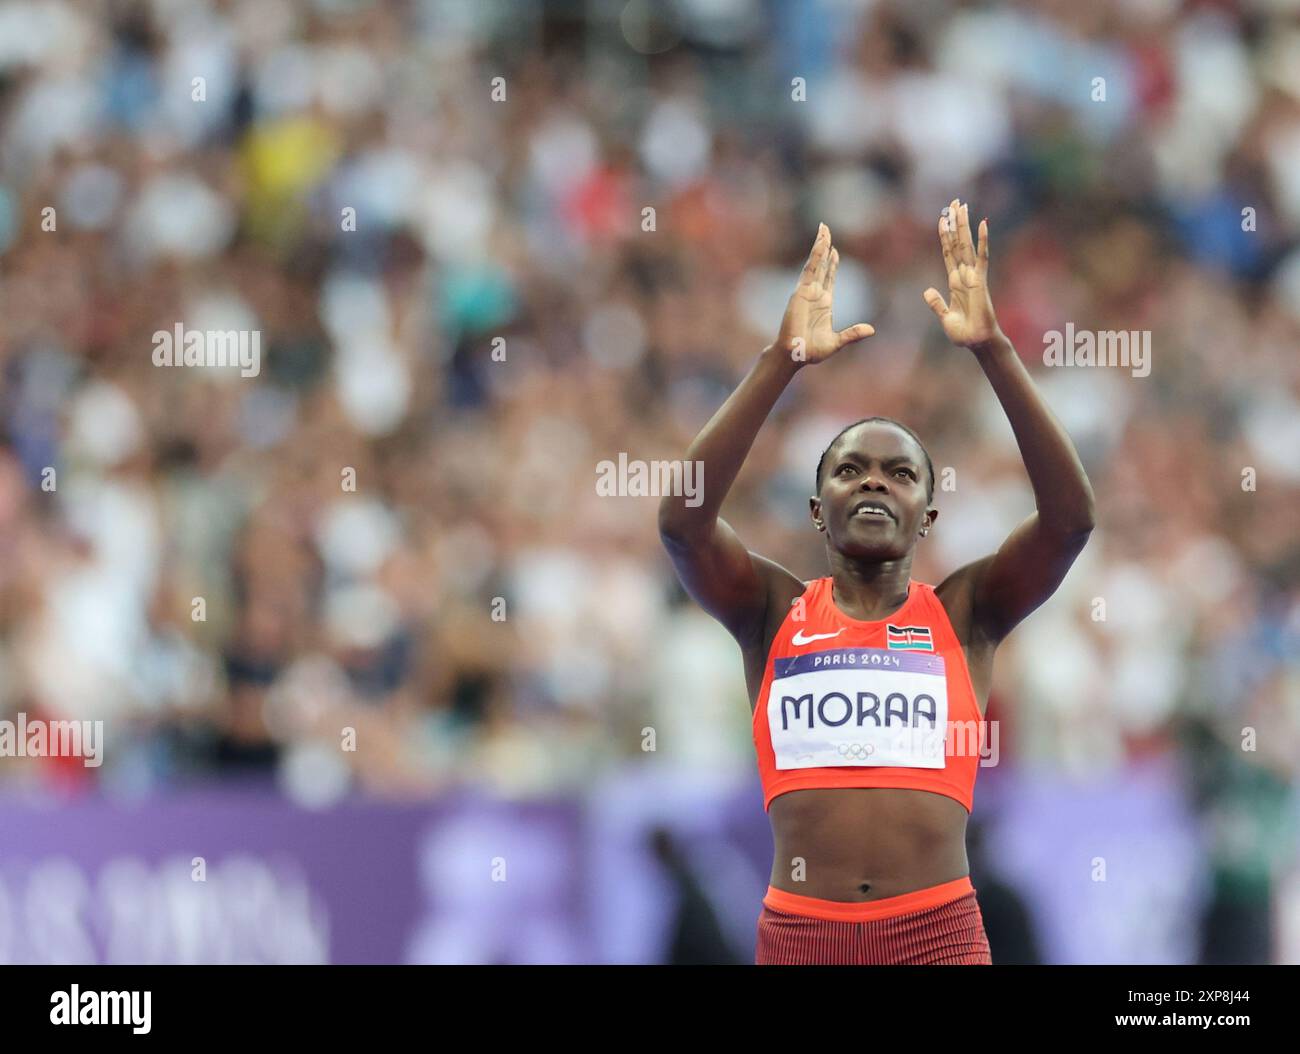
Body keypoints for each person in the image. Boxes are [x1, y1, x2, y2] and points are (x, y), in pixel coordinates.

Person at [657, 199, 1096, 965]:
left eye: (900, 474)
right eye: (849, 469)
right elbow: (682, 524)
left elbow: (1070, 521)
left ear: (926, 514)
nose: (873, 484)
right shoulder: (771, 609)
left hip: (936, 937)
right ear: (817, 508)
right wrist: (779, 362)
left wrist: (994, 349)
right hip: (801, 938)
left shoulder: (968, 613)